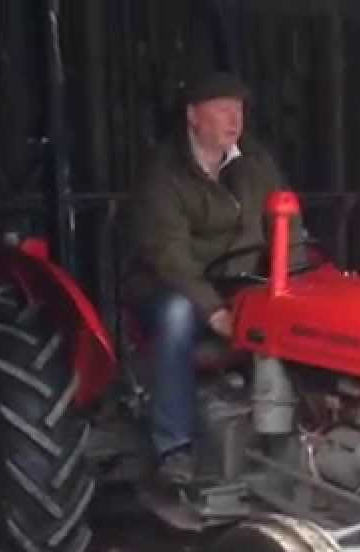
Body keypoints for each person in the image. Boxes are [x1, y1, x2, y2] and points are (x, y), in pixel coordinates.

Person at [124, 71, 289, 489]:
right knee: (178, 316)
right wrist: (212, 309)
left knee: (292, 316)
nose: (234, 119)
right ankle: (173, 446)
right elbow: (169, 255)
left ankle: (290, 431)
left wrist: (292, 284)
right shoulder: (164, 174)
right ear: (193, 116)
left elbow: (287, 225)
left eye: (238, 109)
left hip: (239, 281)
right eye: (222, 109)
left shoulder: (255, 162)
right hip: (172, 287)